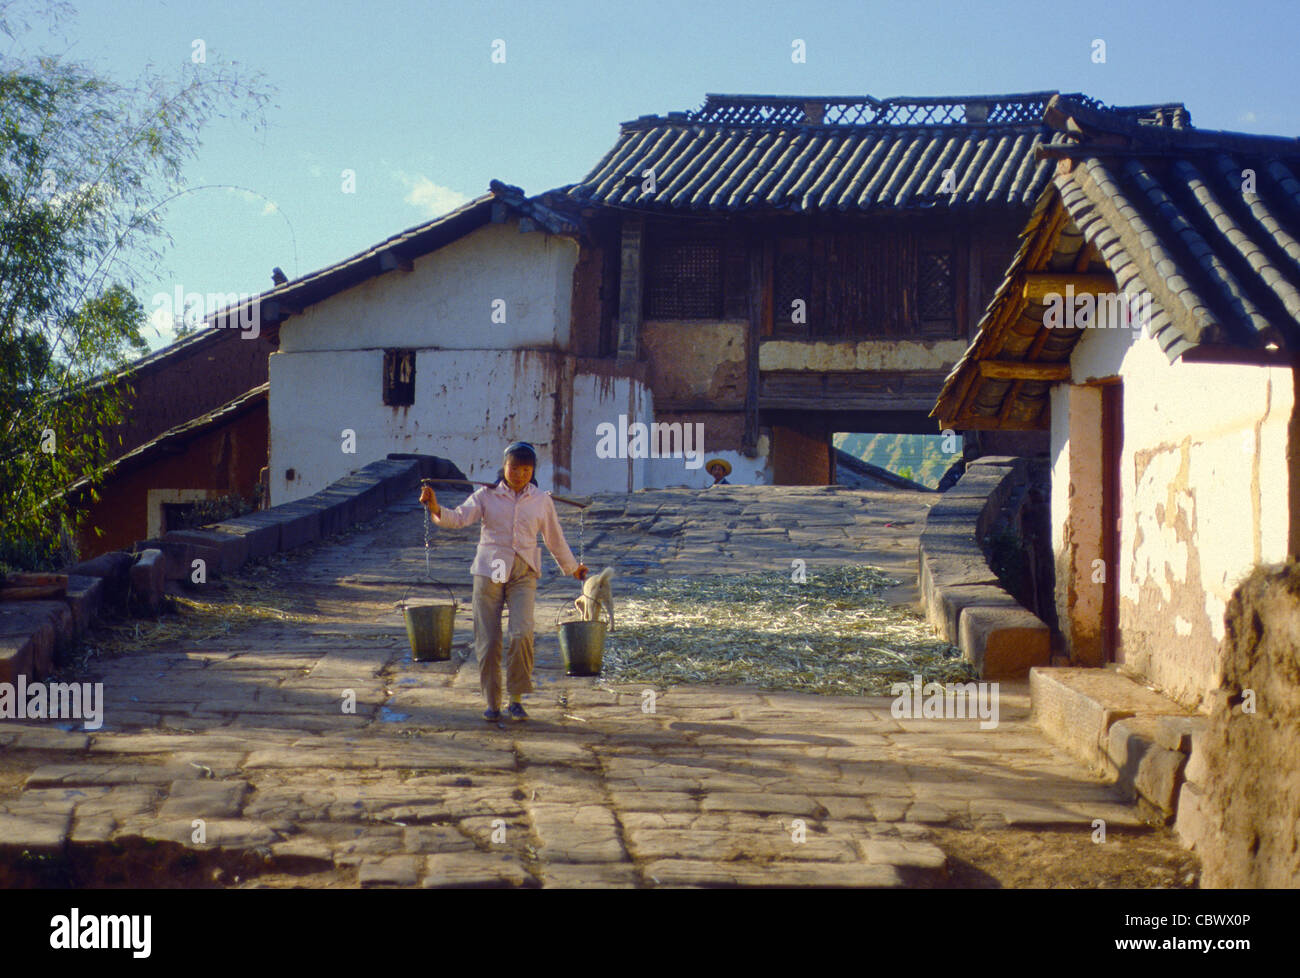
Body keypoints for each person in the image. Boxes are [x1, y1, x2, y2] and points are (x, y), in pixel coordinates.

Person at [418, 441, 587, 723]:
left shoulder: (541, 500)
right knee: (489, 639)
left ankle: (517, 698)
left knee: (521, 633)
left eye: (525, 468)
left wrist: (573, 568)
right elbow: (459, 518)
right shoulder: (486, 495)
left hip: (524, 570)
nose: (519, 474)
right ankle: (492, 702)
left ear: (532, 471)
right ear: (503, 467)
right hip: (491, 569)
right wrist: (435, 506)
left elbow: (554, 538)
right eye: (513, 467)